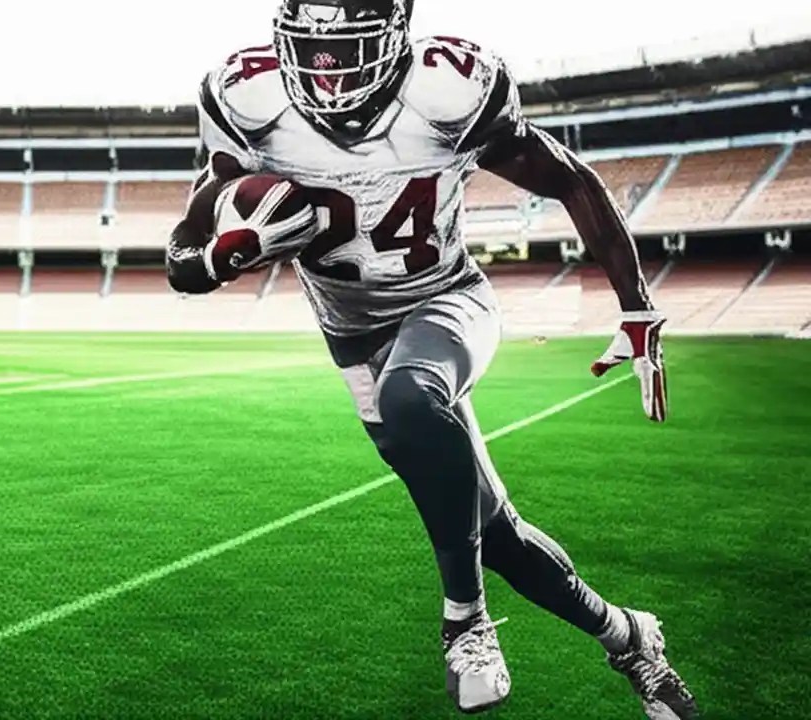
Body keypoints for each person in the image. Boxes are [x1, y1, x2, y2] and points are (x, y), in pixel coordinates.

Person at [164, 1, 695, 717]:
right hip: (353, 339)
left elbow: (569, 177)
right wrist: (221, 259)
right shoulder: (246, 99)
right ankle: (629, 637)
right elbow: (184, 249)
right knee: (497, 538)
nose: (329, 77)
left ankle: (466, 622)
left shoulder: (448, 89)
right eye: (312, 55)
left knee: (411, 397)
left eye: (347, 52)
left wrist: (636, 305)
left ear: (394, 35)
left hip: (448, 303)